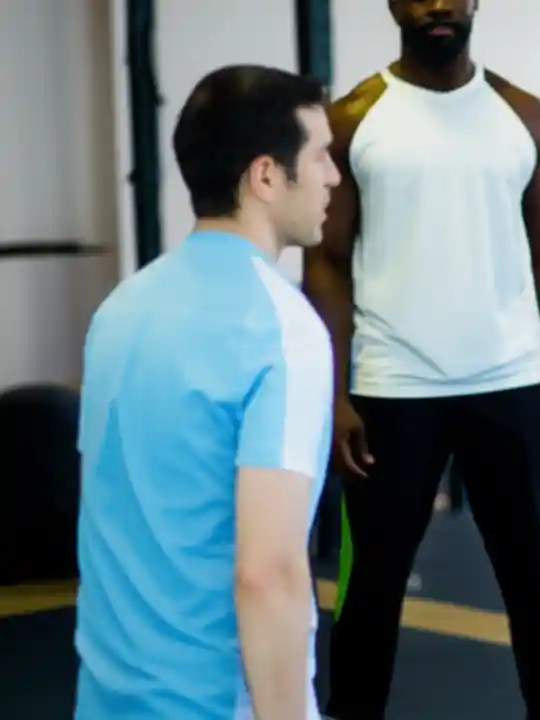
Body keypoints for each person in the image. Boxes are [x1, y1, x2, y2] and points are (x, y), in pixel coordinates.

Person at [302, 1, 540, 718]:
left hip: (512, 380)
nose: (437, 4)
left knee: (535, 580)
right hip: (390, 386)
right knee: (371, 582)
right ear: (394, 5)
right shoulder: (354, 118)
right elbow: (328, 262)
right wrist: (334, 394)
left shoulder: (523, 115)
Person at [74, 64, 340, 719]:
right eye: (321, 155)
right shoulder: (283, 329)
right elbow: (268, 572)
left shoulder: (121, 308)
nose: (334, 175)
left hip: (107, 699)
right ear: (267, 176)